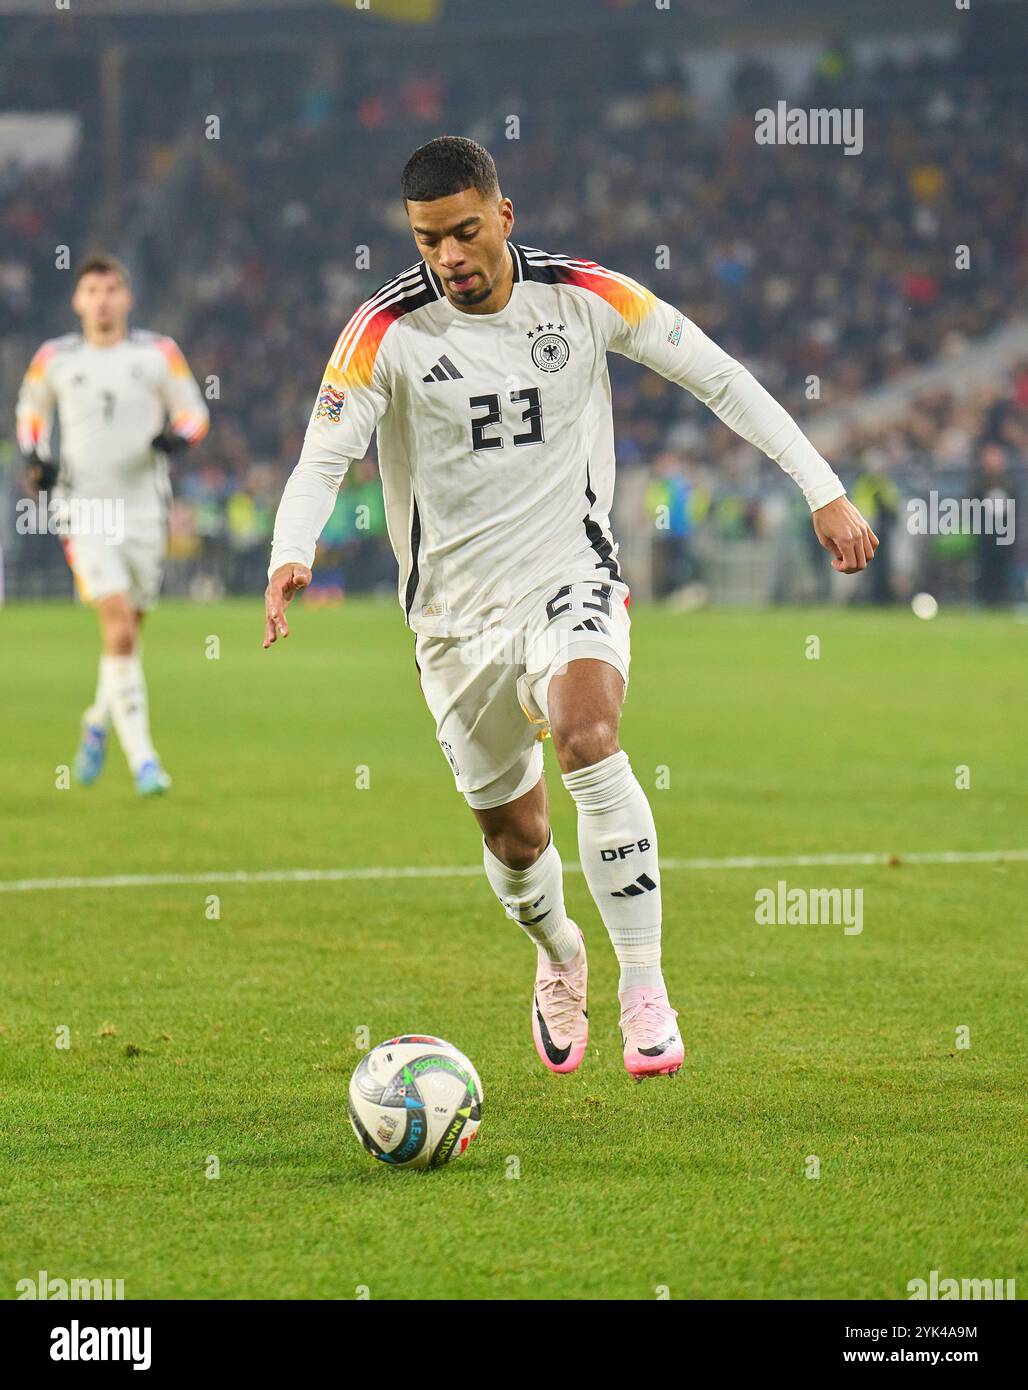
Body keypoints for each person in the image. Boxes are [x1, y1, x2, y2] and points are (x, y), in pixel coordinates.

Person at [264, 137, 878, 1080]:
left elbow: (719, 375)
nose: (449, 257)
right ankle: (559, 955)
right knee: (515, 840)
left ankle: (646, 988)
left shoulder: (586, 295)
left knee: (589, 738)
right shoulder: (384, 330)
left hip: (570, 577)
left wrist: (822, 488)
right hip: (454, 622)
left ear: (503, 215)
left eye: (466, 231)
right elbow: (322, 457)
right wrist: (291, 551)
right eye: (428, 240)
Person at [16, 253, 209, 794]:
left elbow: (194, 412)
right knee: (120, 627)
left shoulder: (158, 353)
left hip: (146, 508)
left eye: (110, 290)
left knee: (127, 636)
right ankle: (145, 761)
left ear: (127, 297)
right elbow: (30, 411)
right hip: (84, 509)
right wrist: (36, 456)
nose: (102, 300)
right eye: (92, 291)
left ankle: (96, 723)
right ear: (77, 301)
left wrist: (178, 437)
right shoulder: (55, 357)